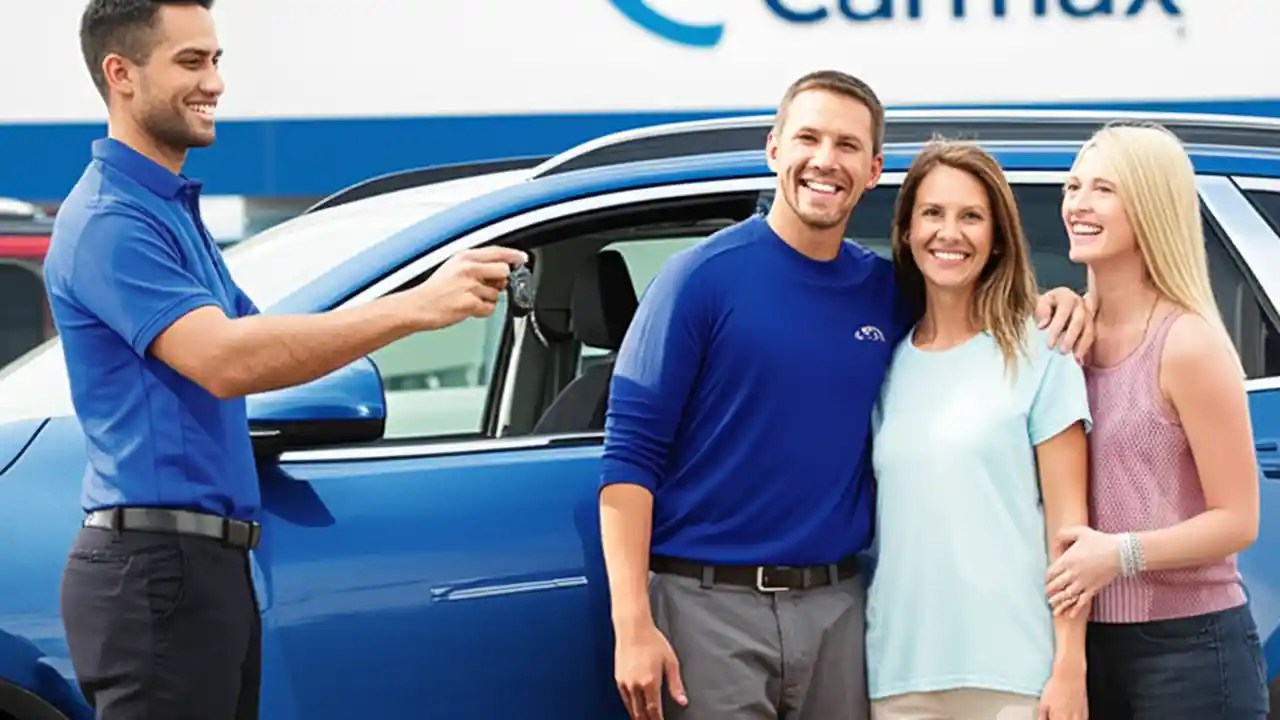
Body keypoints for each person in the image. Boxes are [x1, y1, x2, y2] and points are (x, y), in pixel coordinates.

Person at [45, 2, 526, 718]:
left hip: (199, 570)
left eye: (215, 59)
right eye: (190, 61)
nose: (214, 82)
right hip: (155, 571)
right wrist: (419, 306)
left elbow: (272, 346)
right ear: (120, 73)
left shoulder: (166, 208)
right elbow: (225, 360)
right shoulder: (112, 218)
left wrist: (418, 298)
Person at [598, 69, 1093, 720]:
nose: (824, 161)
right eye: (809, 138)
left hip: (840, 611)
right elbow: (630, 457)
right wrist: (632, 622)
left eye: (847, 145)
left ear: (872, 169)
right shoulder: (698, 278)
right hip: (708, 609)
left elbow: (965, 297)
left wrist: (1052, 303)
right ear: (775, 149)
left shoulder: (883, 293)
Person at [1043, 121, 1268, 718]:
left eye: (1103, 190)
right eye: (1073, 187)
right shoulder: (1061, 336)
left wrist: (1119, 555)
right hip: (1086, 647)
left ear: (1150, 205)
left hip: (1189, 650)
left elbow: (1238, 520)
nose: (1077, 204)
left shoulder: (1187, 345)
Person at [864, 139, 1090, 720]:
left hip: (1015, 675)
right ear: (907, 231)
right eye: (932, 214)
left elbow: (1070, 534)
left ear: (995, 239)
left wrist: (1070, 664)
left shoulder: (1044, 349)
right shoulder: (883, 364)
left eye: (971, 216)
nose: (950, 233)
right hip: (899, 674)